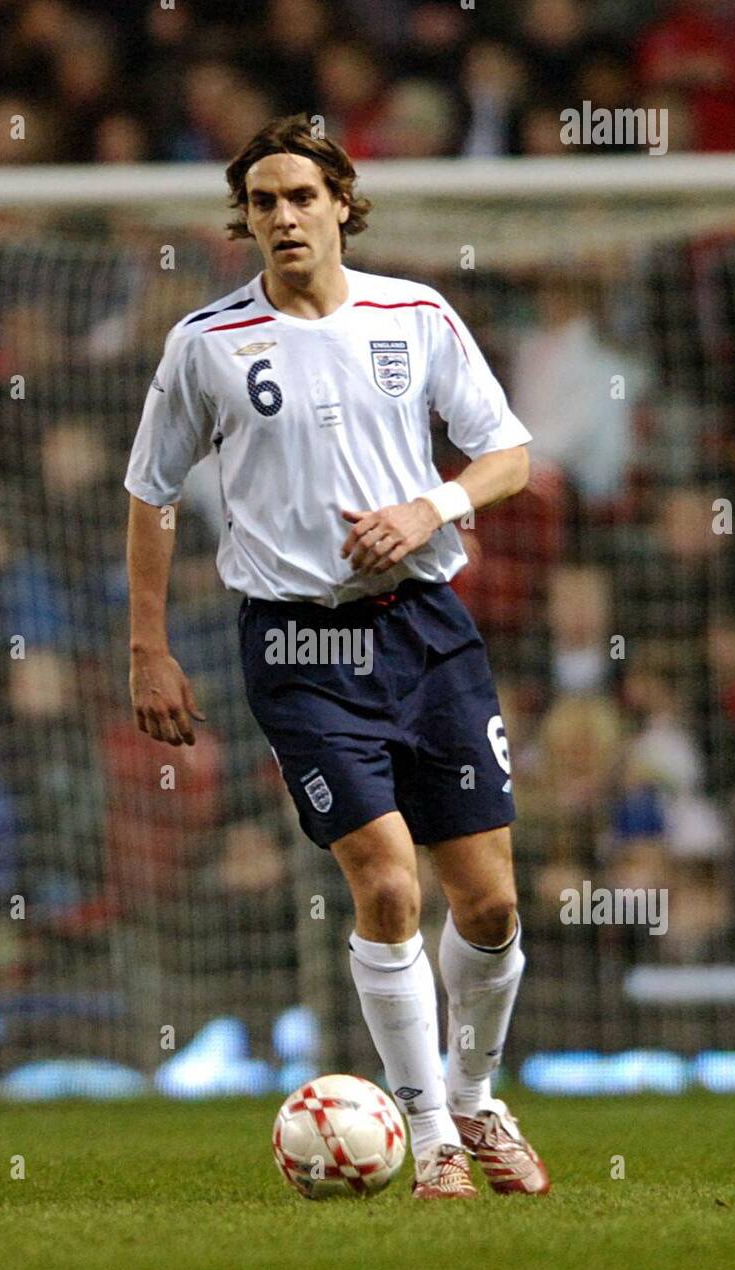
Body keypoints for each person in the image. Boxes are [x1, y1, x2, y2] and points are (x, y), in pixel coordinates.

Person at [124, 113, 548, 1200]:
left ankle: (472, 1095)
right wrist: (147, 648)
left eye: (300, 197)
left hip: (426, 627)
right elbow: (151, 493)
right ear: (244, 220)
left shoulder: (417, 312)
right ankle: (429, 1141)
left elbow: (506, 453)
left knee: (491, 906)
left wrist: (429, 505)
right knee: (387, 882)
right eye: (261, 202)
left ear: (341, 204)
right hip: (299, 645)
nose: (281, 217)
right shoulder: (206, 344)